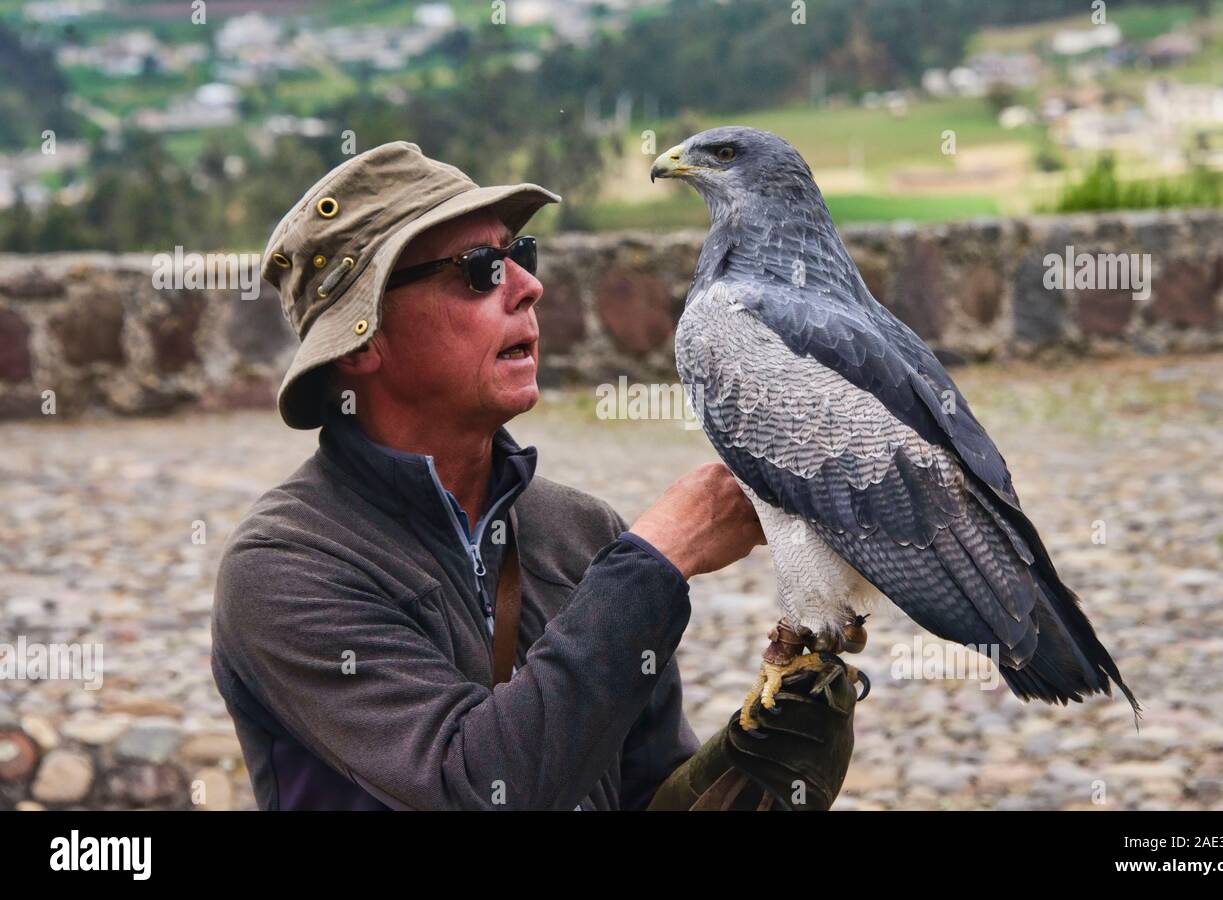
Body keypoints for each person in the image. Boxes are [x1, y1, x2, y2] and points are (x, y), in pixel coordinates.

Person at [210, 141, 858, 810]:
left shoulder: (577, 531)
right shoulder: (286, 569)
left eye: (520, 255)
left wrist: (757, 774)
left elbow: (643, 793)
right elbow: (476, 787)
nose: (528, 286)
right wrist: (657, 559)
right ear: (364, 339)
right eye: (480, 269)